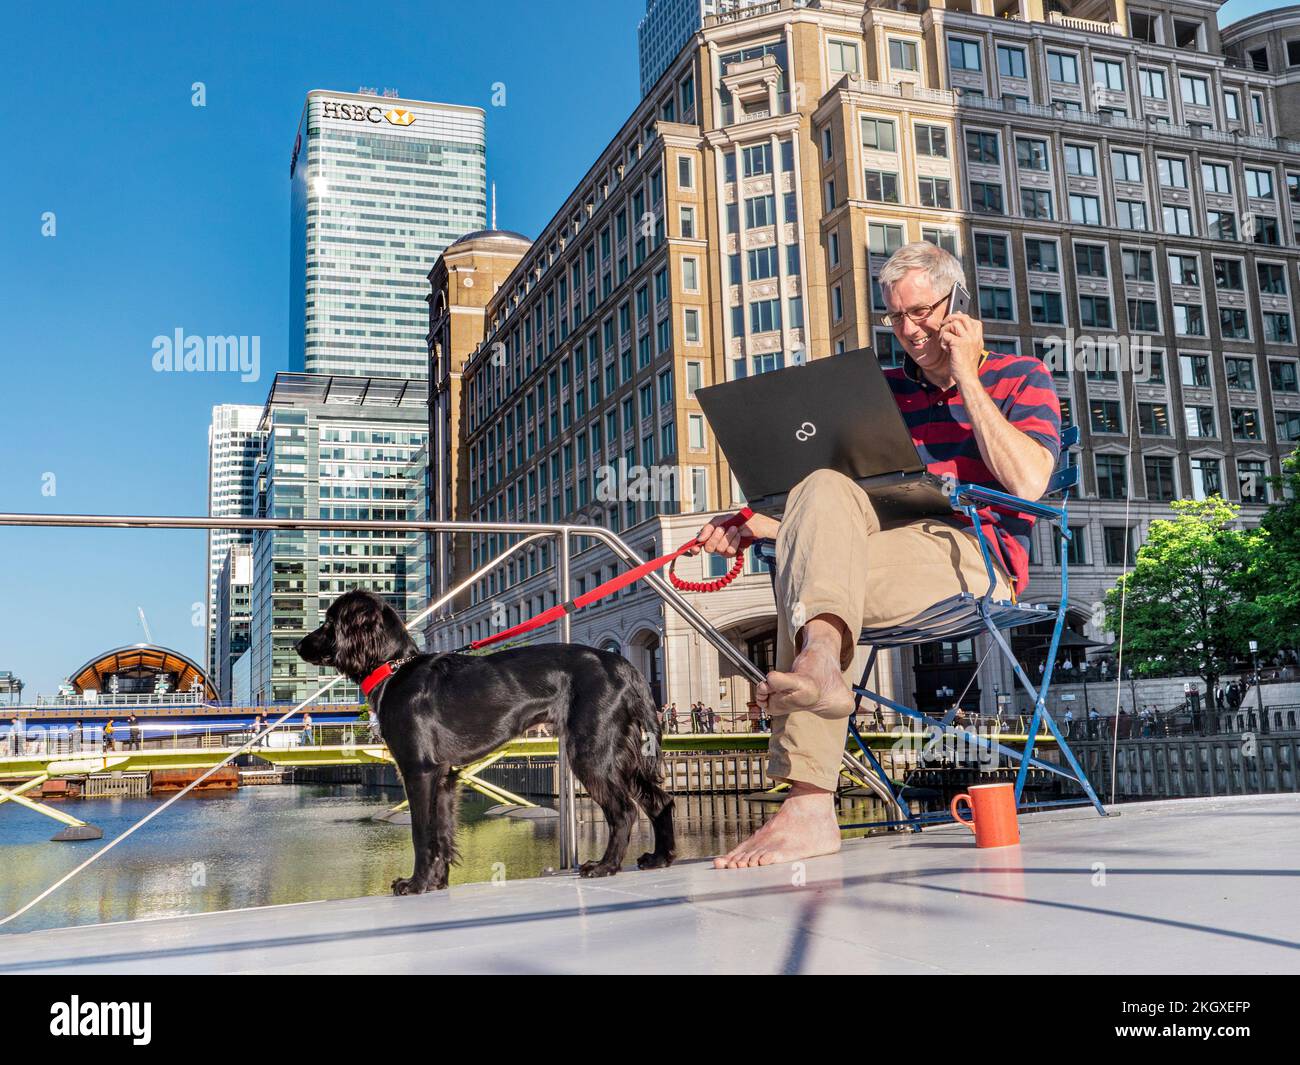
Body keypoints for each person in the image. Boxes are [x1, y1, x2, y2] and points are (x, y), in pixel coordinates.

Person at [689, 241, 1061, 869]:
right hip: (877, 547)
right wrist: (753, 526)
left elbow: (1028, 484)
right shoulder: (878, 392)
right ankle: (820, 669)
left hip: (973, 555)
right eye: (896, 317)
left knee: (809, 586)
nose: (910, 332)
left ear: (959, 303)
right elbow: (838, 507)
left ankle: (808, 799)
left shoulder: (1021, 376)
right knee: (819, 484)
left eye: (922, 313)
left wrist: (966, 374)